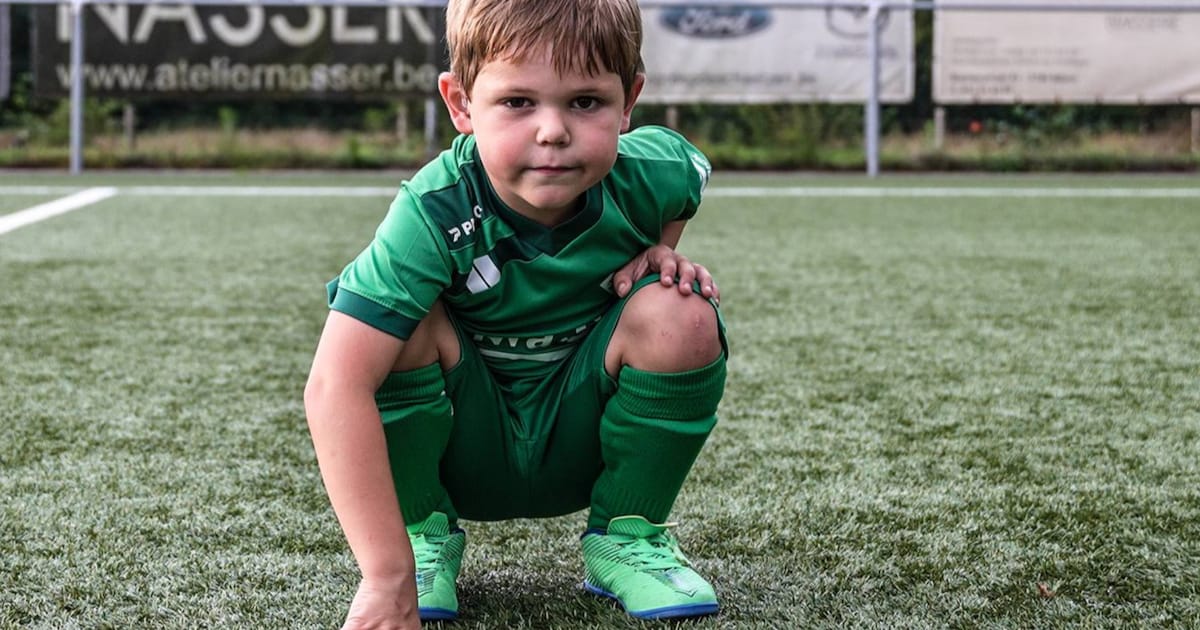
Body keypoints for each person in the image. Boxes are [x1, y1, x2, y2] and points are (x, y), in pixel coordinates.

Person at [303, 0, 728, 626]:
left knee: (681, 311)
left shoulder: (653, 173)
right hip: (462, 447)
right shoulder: (434, 211)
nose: (552, 131)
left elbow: (685, 178)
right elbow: (334, 385)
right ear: (461, 103)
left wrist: (660, 250)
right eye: (518, 102)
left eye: (585, 102)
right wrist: (385, 576)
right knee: (394, 328)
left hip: (581, 439)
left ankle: (627, 536)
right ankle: (421, 539)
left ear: (629, 99)